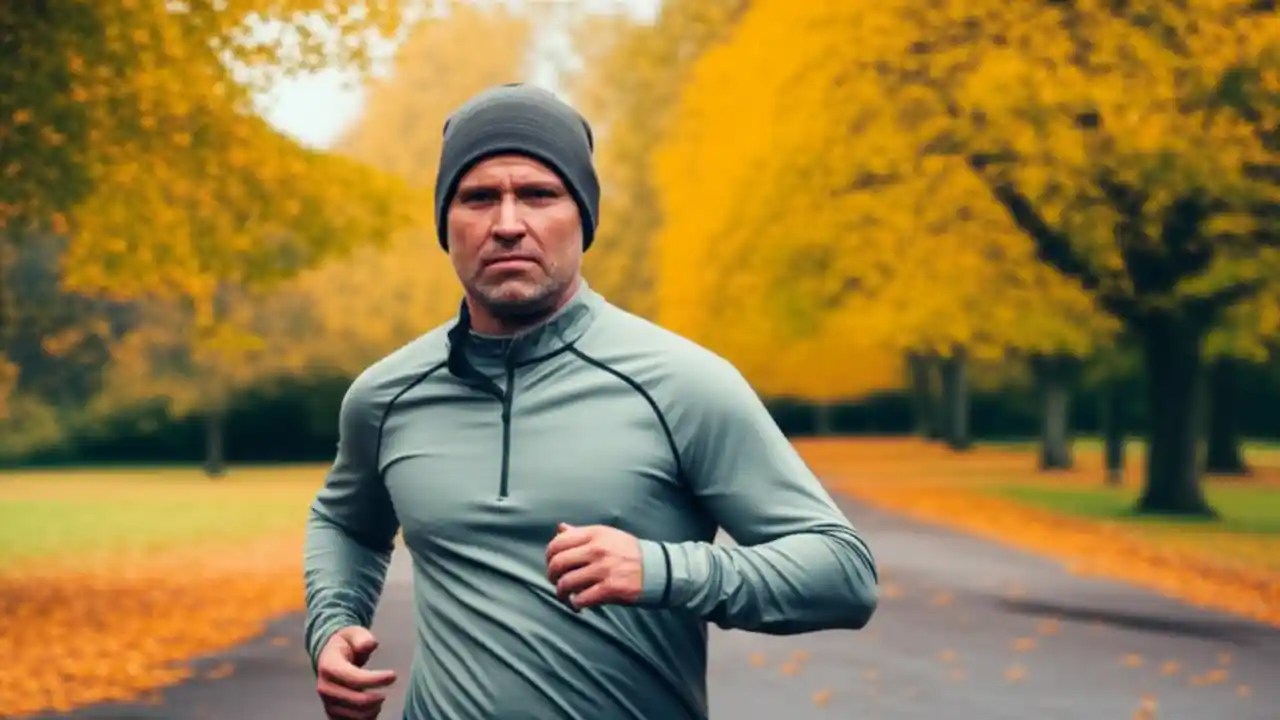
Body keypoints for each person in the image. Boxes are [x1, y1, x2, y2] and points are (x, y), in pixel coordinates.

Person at [302, 82, 879, 720]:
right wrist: (332, 624)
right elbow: (346, 522)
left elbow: (843, 574)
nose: (508, 224)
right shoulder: (387, 395)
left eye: (540, 195)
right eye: (478, 198)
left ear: (583, 217)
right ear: (447, 224)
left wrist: (664, 570)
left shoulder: (681, 383)